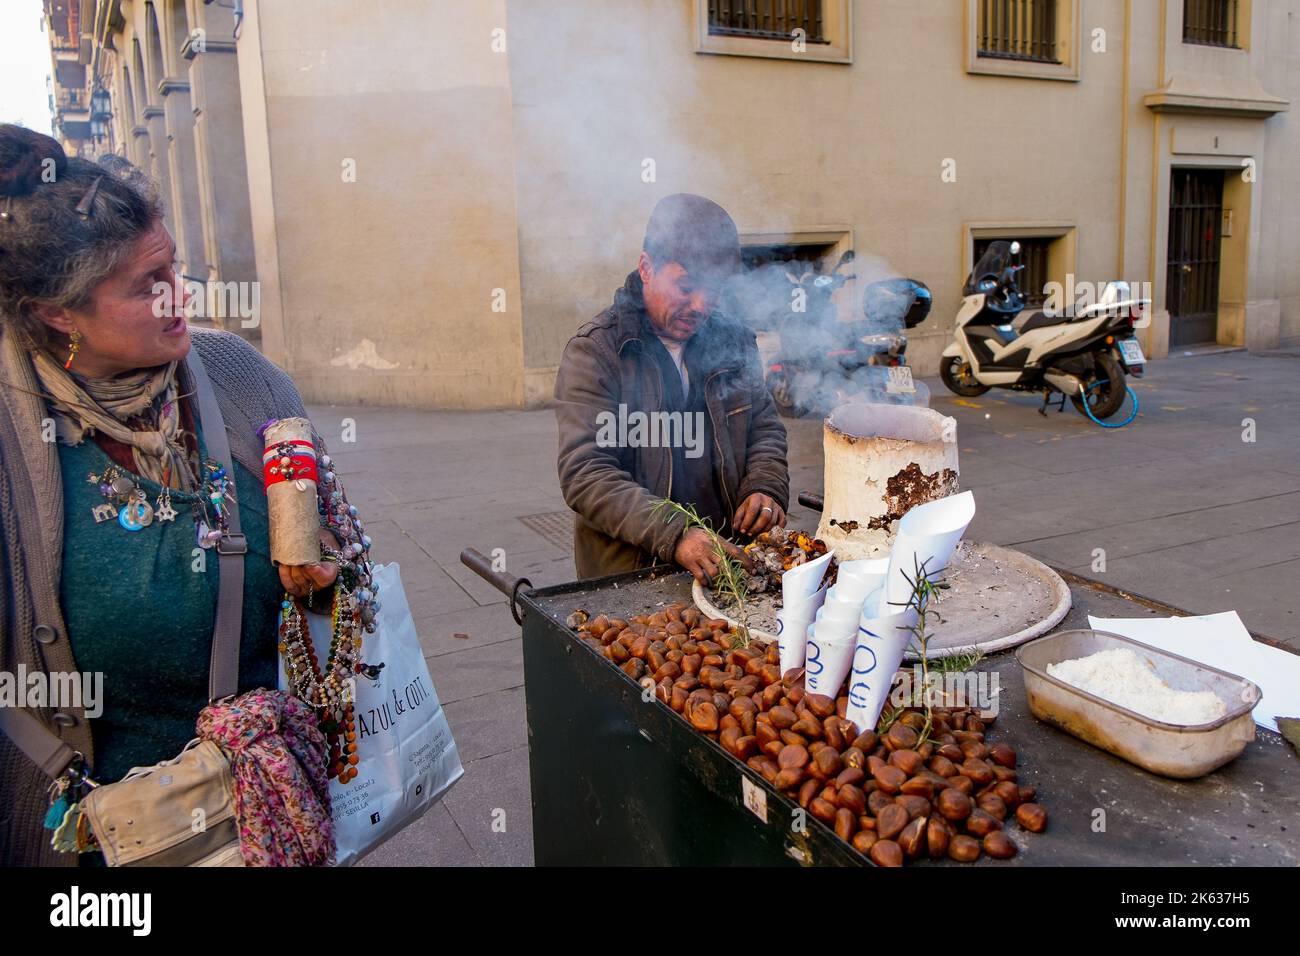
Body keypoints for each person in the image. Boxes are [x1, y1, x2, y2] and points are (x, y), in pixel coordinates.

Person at [0, 125, 356, 866]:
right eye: (144, 285)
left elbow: (343, 561)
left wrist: (327, 567)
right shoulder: (12, 439)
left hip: (266, 809)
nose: (178, 296)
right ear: (57, 313)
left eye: (174, 268)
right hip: (101, 843)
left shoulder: (238, 376)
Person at [555, 193, 789, 583]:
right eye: (687, 287)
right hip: (633, 573)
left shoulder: (733, 341)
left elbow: (763, 429)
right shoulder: (597, 352)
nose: (701, 305)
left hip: (729, 561)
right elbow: (586, 472)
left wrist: (765, 486)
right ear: (646, 267)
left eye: (713, 291)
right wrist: (676, 534)